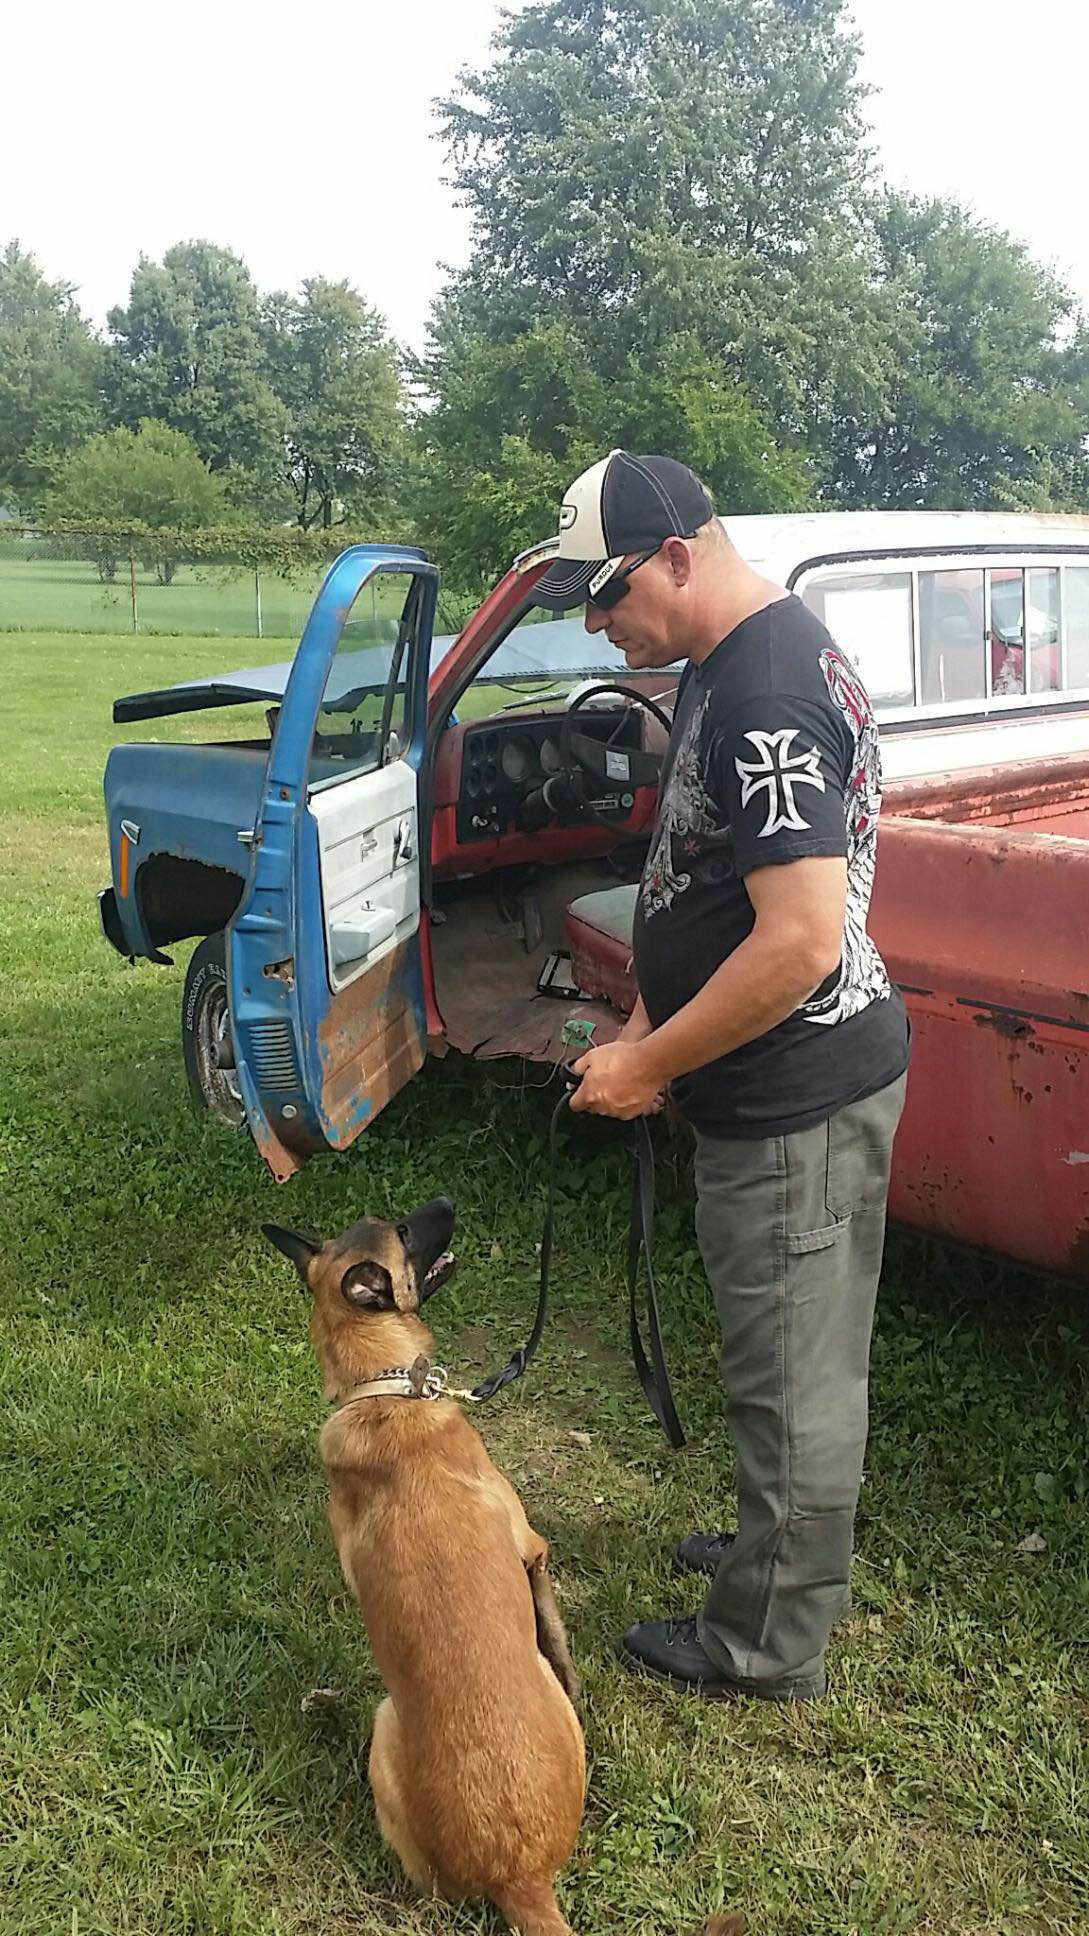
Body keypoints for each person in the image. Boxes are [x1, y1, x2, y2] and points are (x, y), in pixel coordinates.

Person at [534, 451, 910, 1702]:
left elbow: (799, 941)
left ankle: (766, 1640)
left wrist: (646, 1059)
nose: (596, 623)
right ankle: (775, 1543)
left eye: (606, 593)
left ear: (678, 556)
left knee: (798, 1371)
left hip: (799, 1092)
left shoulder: (763, 691)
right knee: (774, 1349)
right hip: (770, 1080)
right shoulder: (732, 658)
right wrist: (647, 1003)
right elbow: (703, 871)